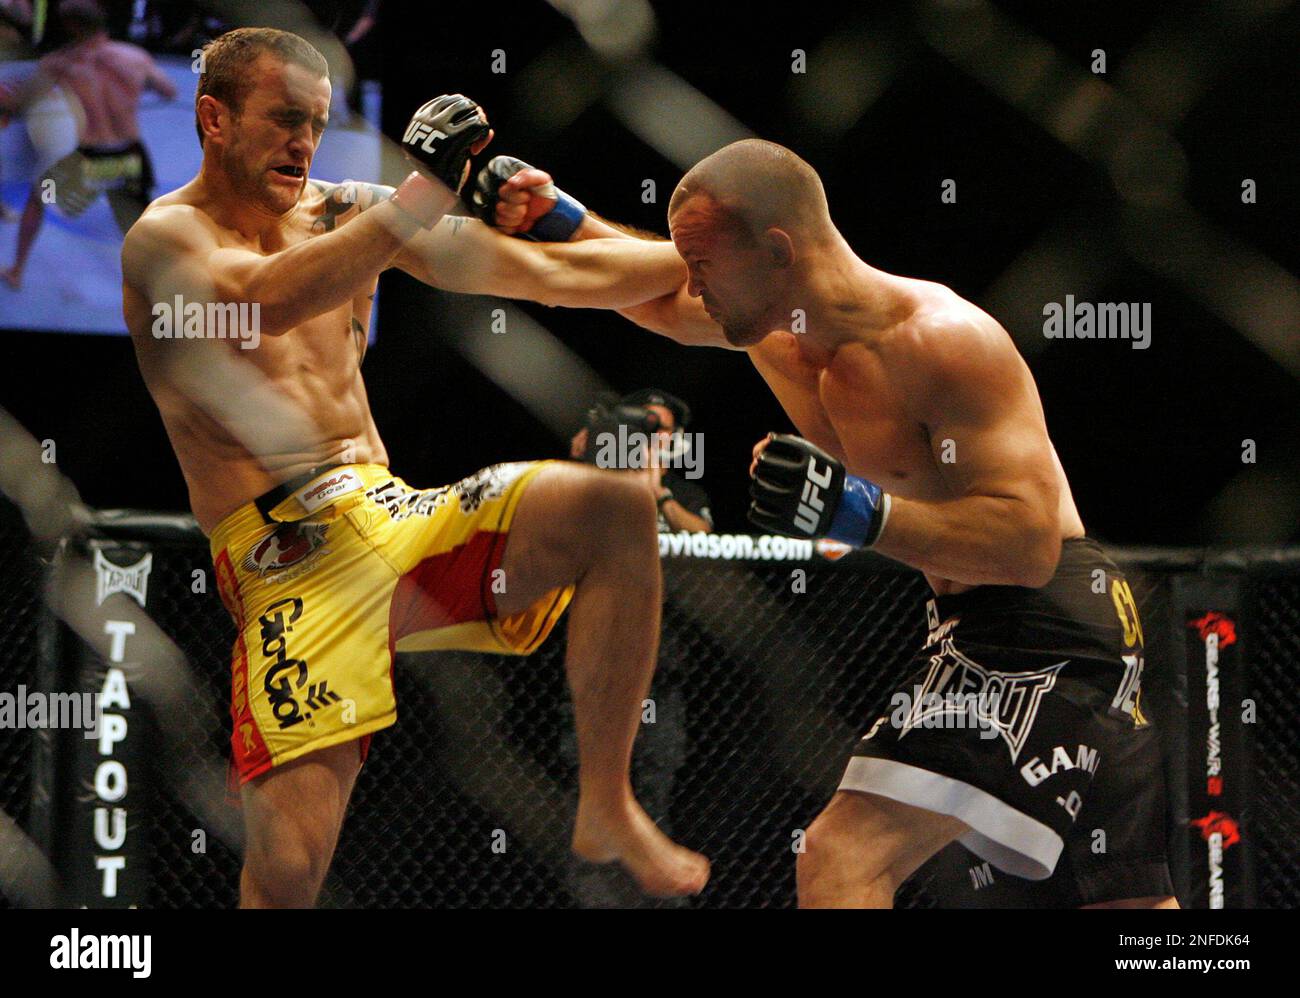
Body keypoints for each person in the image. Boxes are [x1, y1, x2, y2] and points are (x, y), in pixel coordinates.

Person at [478, 140, 1176, 909]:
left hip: (1039, 625)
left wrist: (862, 513)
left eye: (704, 264)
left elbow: (1029, 547)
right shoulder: (780, 330)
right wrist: (561, 221)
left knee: (841, 856)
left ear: (778, 251)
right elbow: (646, 291)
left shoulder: (941, 342)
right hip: (1009, 622)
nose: (692, 285)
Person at [121, 26, 711, 906]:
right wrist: (420, 194)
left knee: (611, 507)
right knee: (284, 877)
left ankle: (606, 806)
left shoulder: (349, 212)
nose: (304, 143)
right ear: (213, 118)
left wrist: (703, 255)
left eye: (316, 123)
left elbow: (543, 276)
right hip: (286, 560)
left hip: (395, 518)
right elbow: (264, 305)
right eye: (283, 119)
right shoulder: (162, 242)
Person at [1, 0, 176, 290]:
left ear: (71, 27)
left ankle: (17, 271)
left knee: (37, 199)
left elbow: (22, 103)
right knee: (139, 224)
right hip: (129, 154)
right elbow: (168, 91)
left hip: (89, 159)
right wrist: (129, 91)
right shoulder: (134, 56)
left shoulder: (59, 63)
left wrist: (10, 97)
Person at [570, 388, 713, 534]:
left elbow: (704, 536)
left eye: (661, 428)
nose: (652, 434)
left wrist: (659, 494)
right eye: (645, 425)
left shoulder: (686, 493)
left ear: (674, 436)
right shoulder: (608, 478)